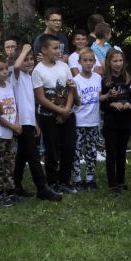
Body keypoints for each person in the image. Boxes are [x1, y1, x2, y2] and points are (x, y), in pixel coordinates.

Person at [10, 44, 61, 201]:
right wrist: (25, 49)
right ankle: (41, 187)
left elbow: (30, 103)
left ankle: (16, 185)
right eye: (26, 59)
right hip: (20, 122)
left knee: (22, 155)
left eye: (31, 59)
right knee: (33, 155)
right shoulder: (15, 74)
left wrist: (35, 123)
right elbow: (17, 65)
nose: (29, 62)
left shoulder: (29, 76)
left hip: (29, 121)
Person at [34, 36, 77, 194]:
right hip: (48, 116)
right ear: (44, 50)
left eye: (59, 48)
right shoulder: (38, 70)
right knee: (51, 149)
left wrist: (66, 111)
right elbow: (40, 98)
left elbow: (71, 88)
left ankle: (65, 180)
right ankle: (52, 181)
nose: (58, 51)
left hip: (67, 113)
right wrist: (60, 111)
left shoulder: (64, 66)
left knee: (69, 147)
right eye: (54, 48)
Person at [100, 49, 131, 192]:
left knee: (122, 152)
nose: (118, 64)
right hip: (111, 122)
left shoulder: (128, 79)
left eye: (120, 61)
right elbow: (101, 104)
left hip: (125, 121)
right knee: (112, 153)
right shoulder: (105, 81)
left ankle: (121, 180)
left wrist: (129, 104)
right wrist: (111, 103)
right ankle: (112, 184)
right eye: (115, 61)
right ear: (109, 62)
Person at [0, 54, 20, 205]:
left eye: (5, 69)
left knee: (10, 162)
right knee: (0, 163)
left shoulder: (9, 85)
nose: (4, 72)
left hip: (11, 132)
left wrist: (16, 123)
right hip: (1, 132)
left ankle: (10, 190)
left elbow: (14, 107)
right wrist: (11, 126)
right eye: (0, 69)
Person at [70, 48, 102, 190]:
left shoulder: (98, 78)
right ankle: (77, 179)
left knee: (91, 151)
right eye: (85, 60)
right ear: (79, 62)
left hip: (94, 121)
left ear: (95, 62)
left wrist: (109, 96)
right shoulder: (75, 80)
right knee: (76, 151)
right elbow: (75, 102)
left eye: (91, 60)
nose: (88, 63)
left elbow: (99, 97)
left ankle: (90, 179)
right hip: (79, 121)